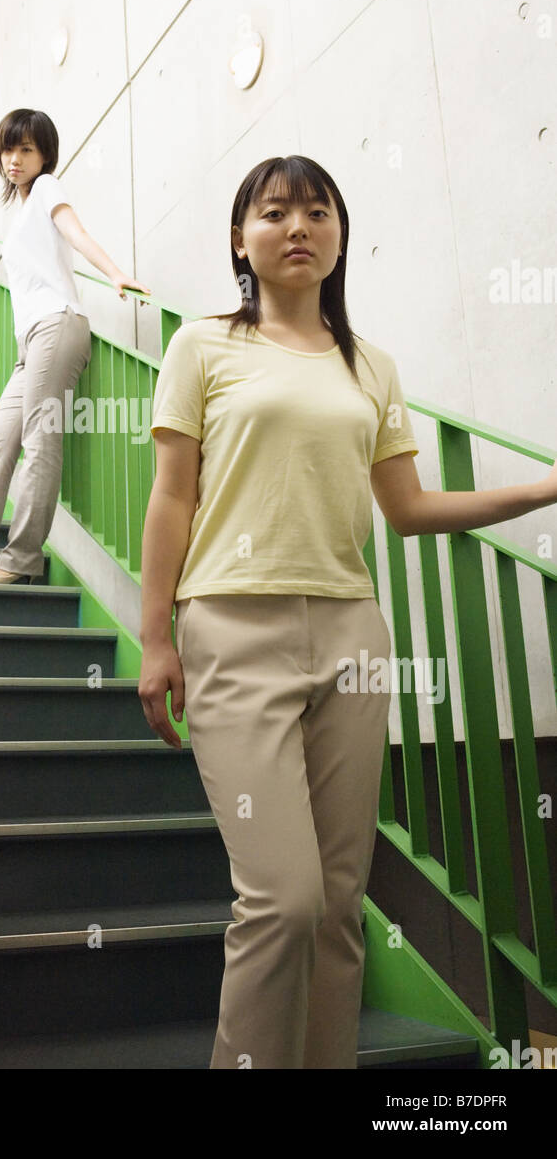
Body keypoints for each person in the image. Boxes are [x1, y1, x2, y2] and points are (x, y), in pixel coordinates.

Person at [138, 153, 557, 1069]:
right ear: (240, 239)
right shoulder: (203, 345)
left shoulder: (371, 365)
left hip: (351, 637)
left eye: (317, 212)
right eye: (275, 211)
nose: (298, 227)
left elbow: (407, 511)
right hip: (231, 629)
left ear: (339, 237)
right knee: (281, 899)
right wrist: (155, 635)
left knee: (336, 900)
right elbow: (171, 497)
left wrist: (539, 494)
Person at [0, 108, 151, 585]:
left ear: (45, 157)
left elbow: (74, 232)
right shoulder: (19, 209)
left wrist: (116, 273)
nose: (14, 160)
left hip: (58, 325)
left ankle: (20, 560)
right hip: (31, 341)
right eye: (8, 149)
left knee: (40, 441)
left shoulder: (46, 190)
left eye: (26, 150)